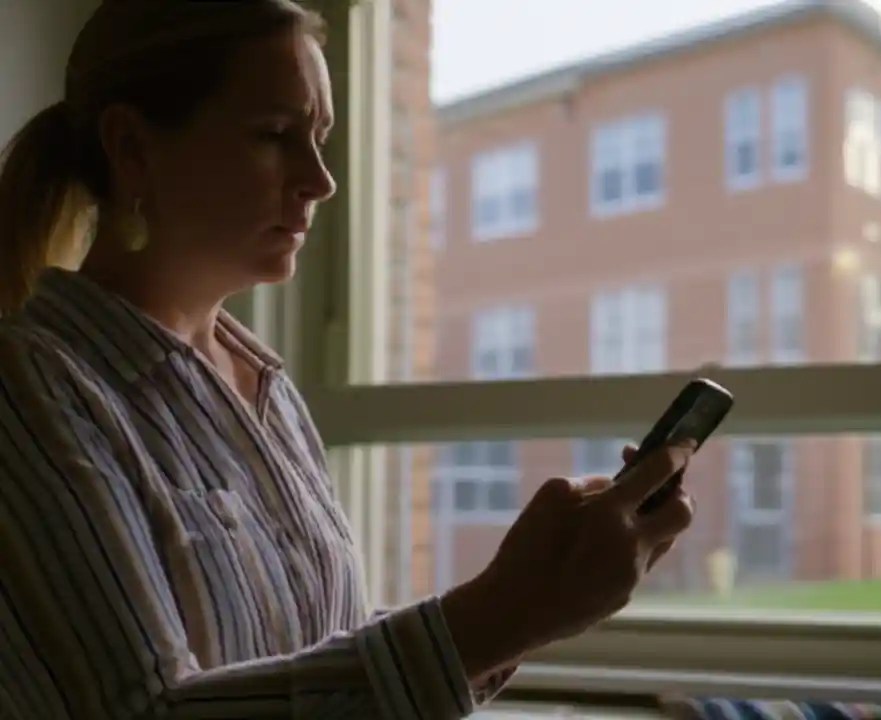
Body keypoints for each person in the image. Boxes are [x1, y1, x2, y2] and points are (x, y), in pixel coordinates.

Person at [0, 1, 697, 717]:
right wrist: (502, 614)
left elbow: (312, 663)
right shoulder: (32, 392)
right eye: (275, 135)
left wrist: (530, 599)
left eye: (321, 136)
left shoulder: (263, 394)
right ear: (133, 148)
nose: (321, 179)